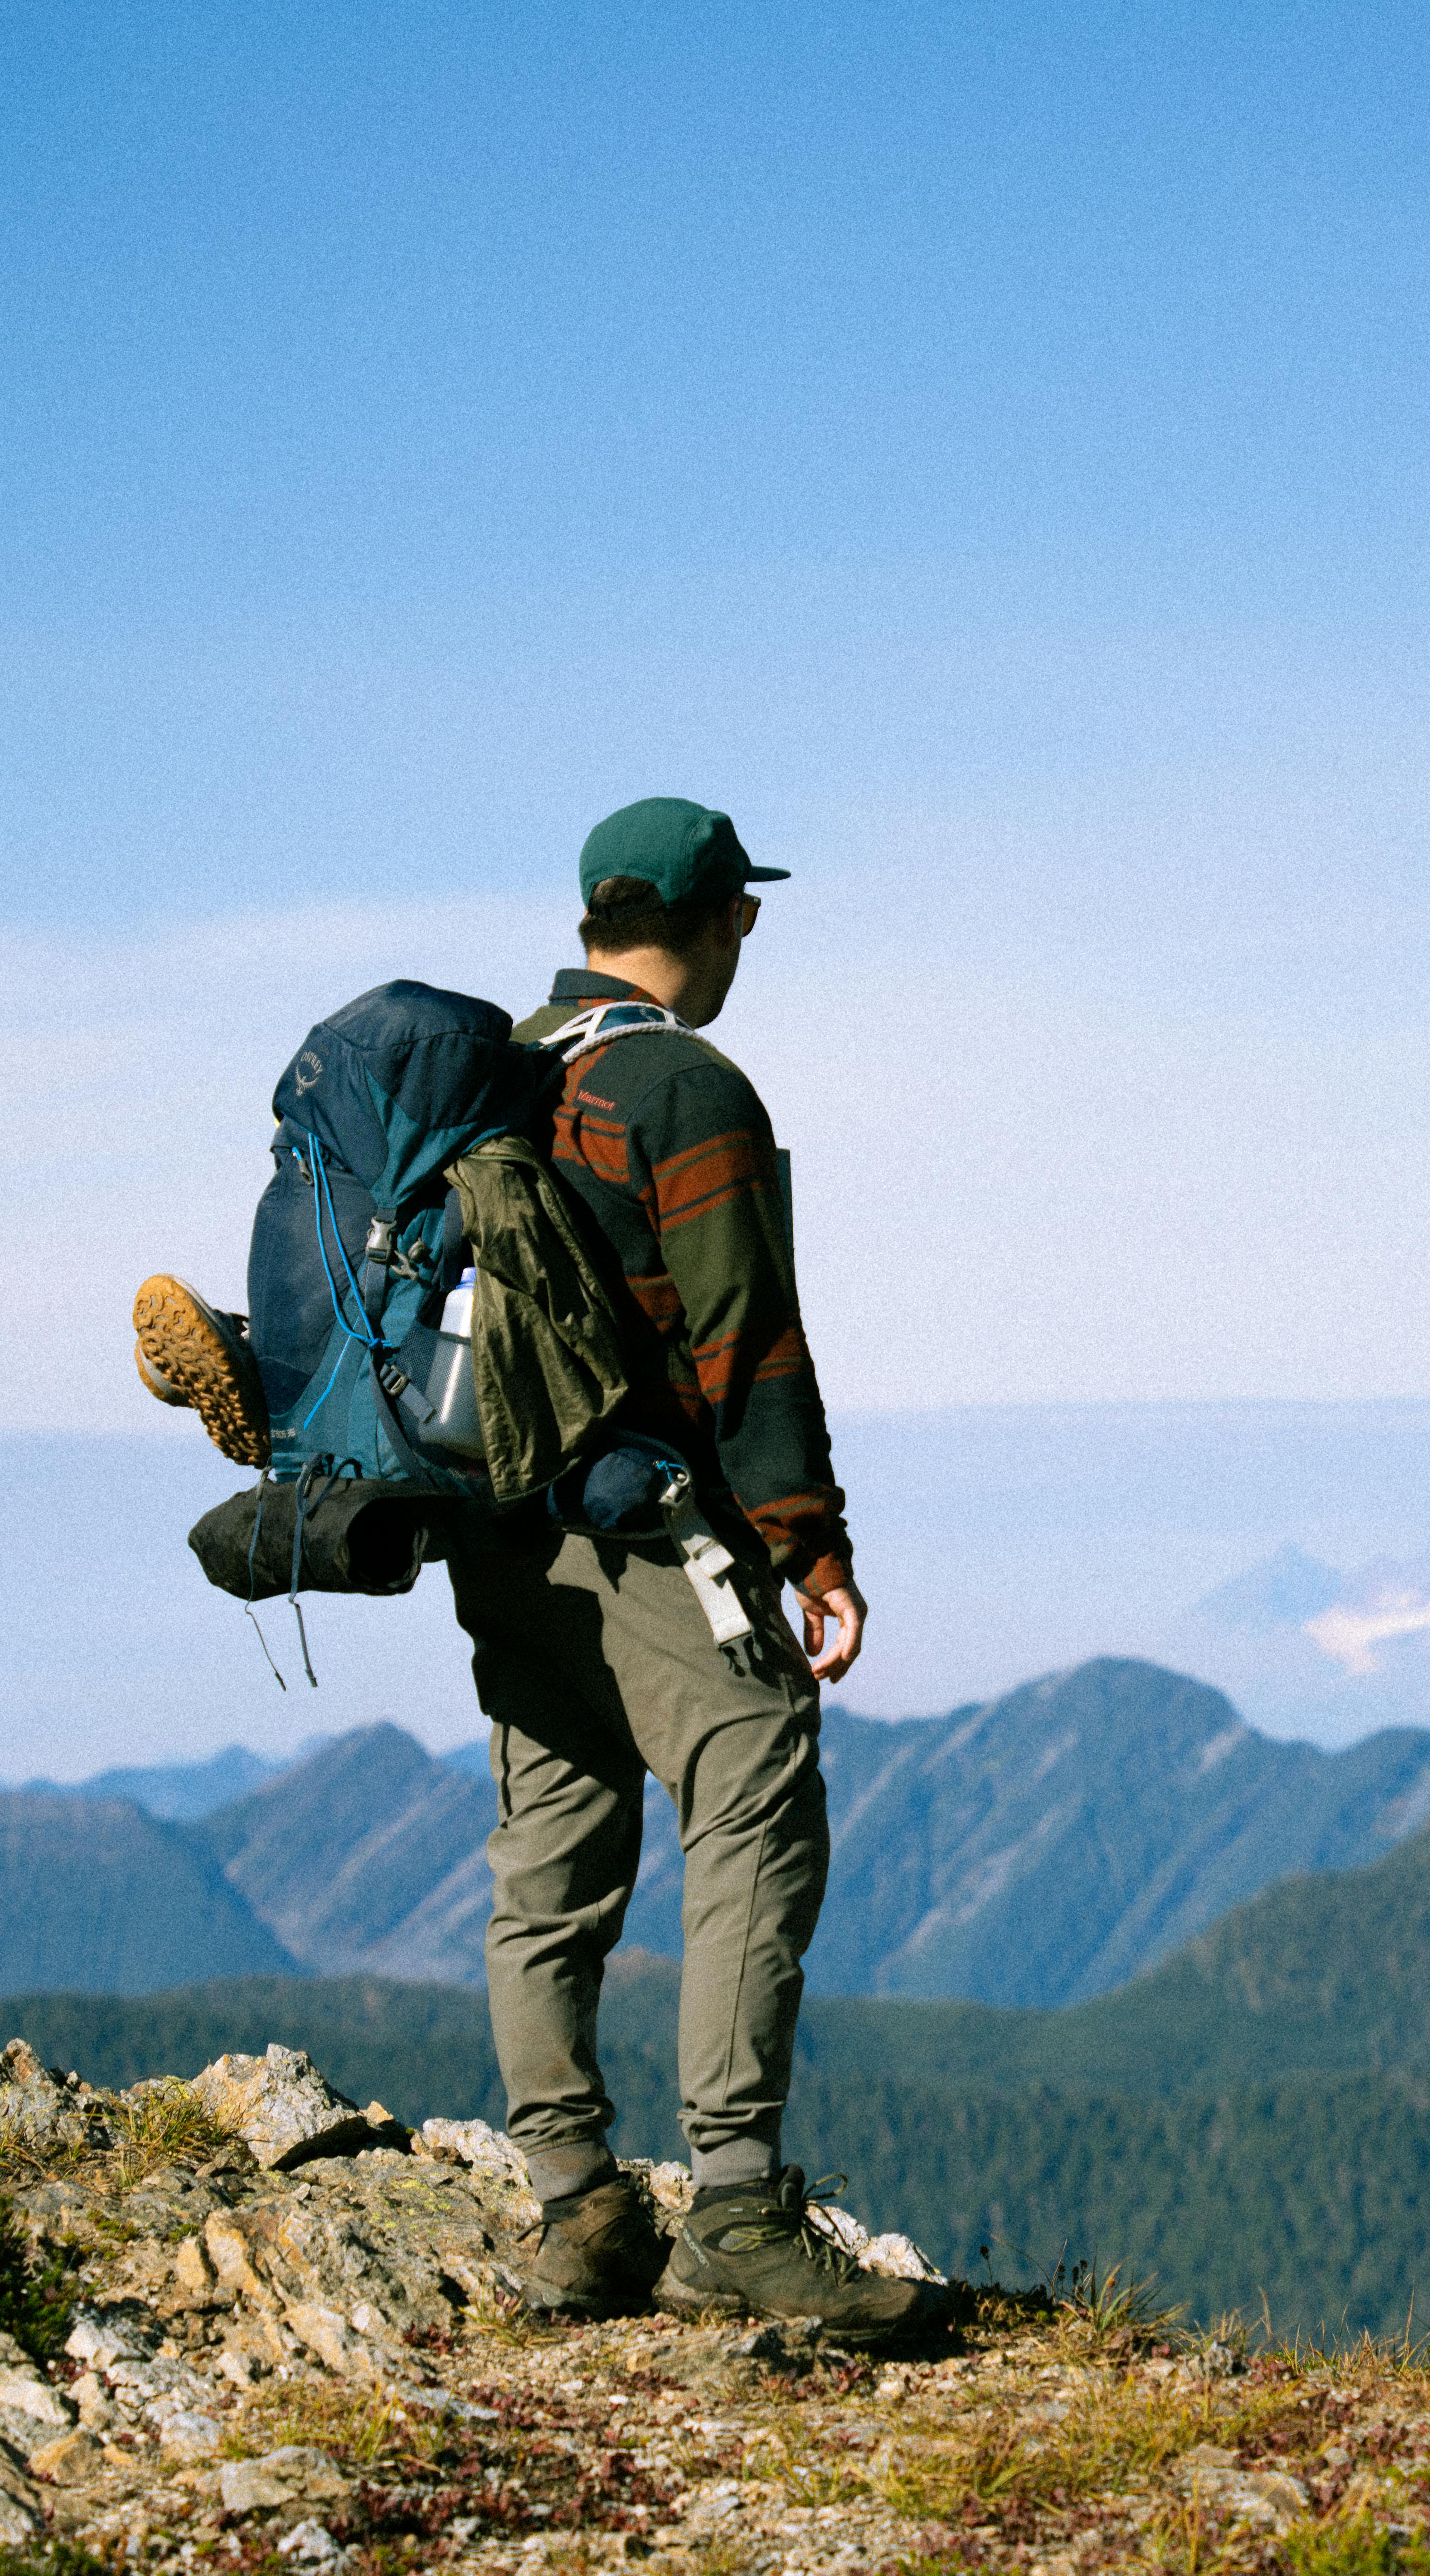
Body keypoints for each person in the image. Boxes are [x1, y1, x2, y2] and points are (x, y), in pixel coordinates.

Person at [461, 795, 936, 2339]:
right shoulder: (683, 1086)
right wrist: (814, 1544)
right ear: (723, 914)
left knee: (554, 1846)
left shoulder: (495, 1078)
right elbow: (746, 1342)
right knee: (754, 1781)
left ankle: (577, 2208)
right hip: (647, 1530)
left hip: (496, 1524)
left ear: (595, 919)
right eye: (746, 914)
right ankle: (732, 2211)